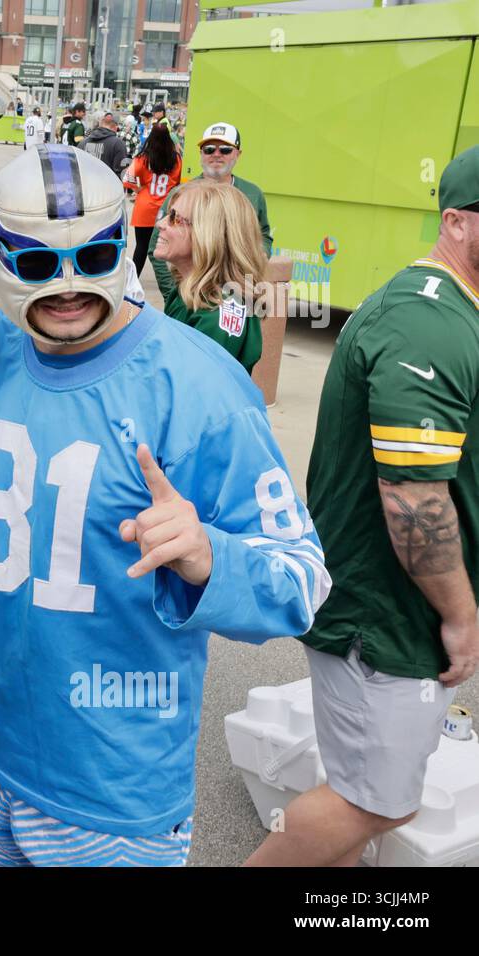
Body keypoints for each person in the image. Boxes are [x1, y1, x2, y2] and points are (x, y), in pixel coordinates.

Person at [0, 144, 328, 867]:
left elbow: (303, 581)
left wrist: (209, 556)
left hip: (115, 796)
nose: (67, 287)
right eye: (37, 264)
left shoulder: (202, 386)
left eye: (94, 257)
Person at [247, 146, 479, 868]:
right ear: (457, 222)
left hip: (381, 600)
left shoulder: (444, 312)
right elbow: (412, 498)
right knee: (380, 801)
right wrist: (462, 615)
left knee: (356, 785)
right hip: (385, 610)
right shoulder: (427, 325)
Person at [152, 179, 267, 373]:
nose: (159, 224)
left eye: (174, 218)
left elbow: (191, 391)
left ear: (208, 234)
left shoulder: (216, 311)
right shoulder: (189, 291)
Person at [151, 121, 272, 295]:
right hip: (191, 294)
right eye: (209, 149)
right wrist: (174, 292)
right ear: (201, 154)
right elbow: (156, 246)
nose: (216, 154)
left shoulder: (252, 194)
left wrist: (257, 261)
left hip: (236, 294)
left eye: (225, 149)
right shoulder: (181, 194)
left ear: (238, 153)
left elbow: (264, 235)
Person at [123, 124, 181, 277]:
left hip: (144, 207)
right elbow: (178, 184)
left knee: (141, 247)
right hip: (167, 209)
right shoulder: (176, 159)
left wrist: (138, 190)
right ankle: (170, 280)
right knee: (168, 247)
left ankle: (132, 280)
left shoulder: (143, 158)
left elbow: (127, 179)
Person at [81, 111, 128, 178]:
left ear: (100, 125)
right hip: (108, 186)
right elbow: (121, 172)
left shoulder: (83, 142)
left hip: (86, 185)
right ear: (115, 127)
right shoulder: (118, 144)